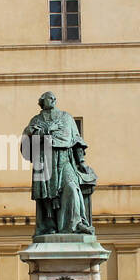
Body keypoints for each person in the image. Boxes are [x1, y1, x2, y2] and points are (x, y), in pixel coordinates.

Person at [21, 91, 94, 235]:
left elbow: (76, 140)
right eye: (49, 97)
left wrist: (82, 162)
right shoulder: (35, 121)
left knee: (72, 188)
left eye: (54, 97)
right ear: (42, 101)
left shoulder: (66, 117)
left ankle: (76, 223)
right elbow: (27, 144)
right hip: (44, 159)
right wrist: (39, 133)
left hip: (65, 159)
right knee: (46, 195)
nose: (53, 99)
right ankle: (49, 225)